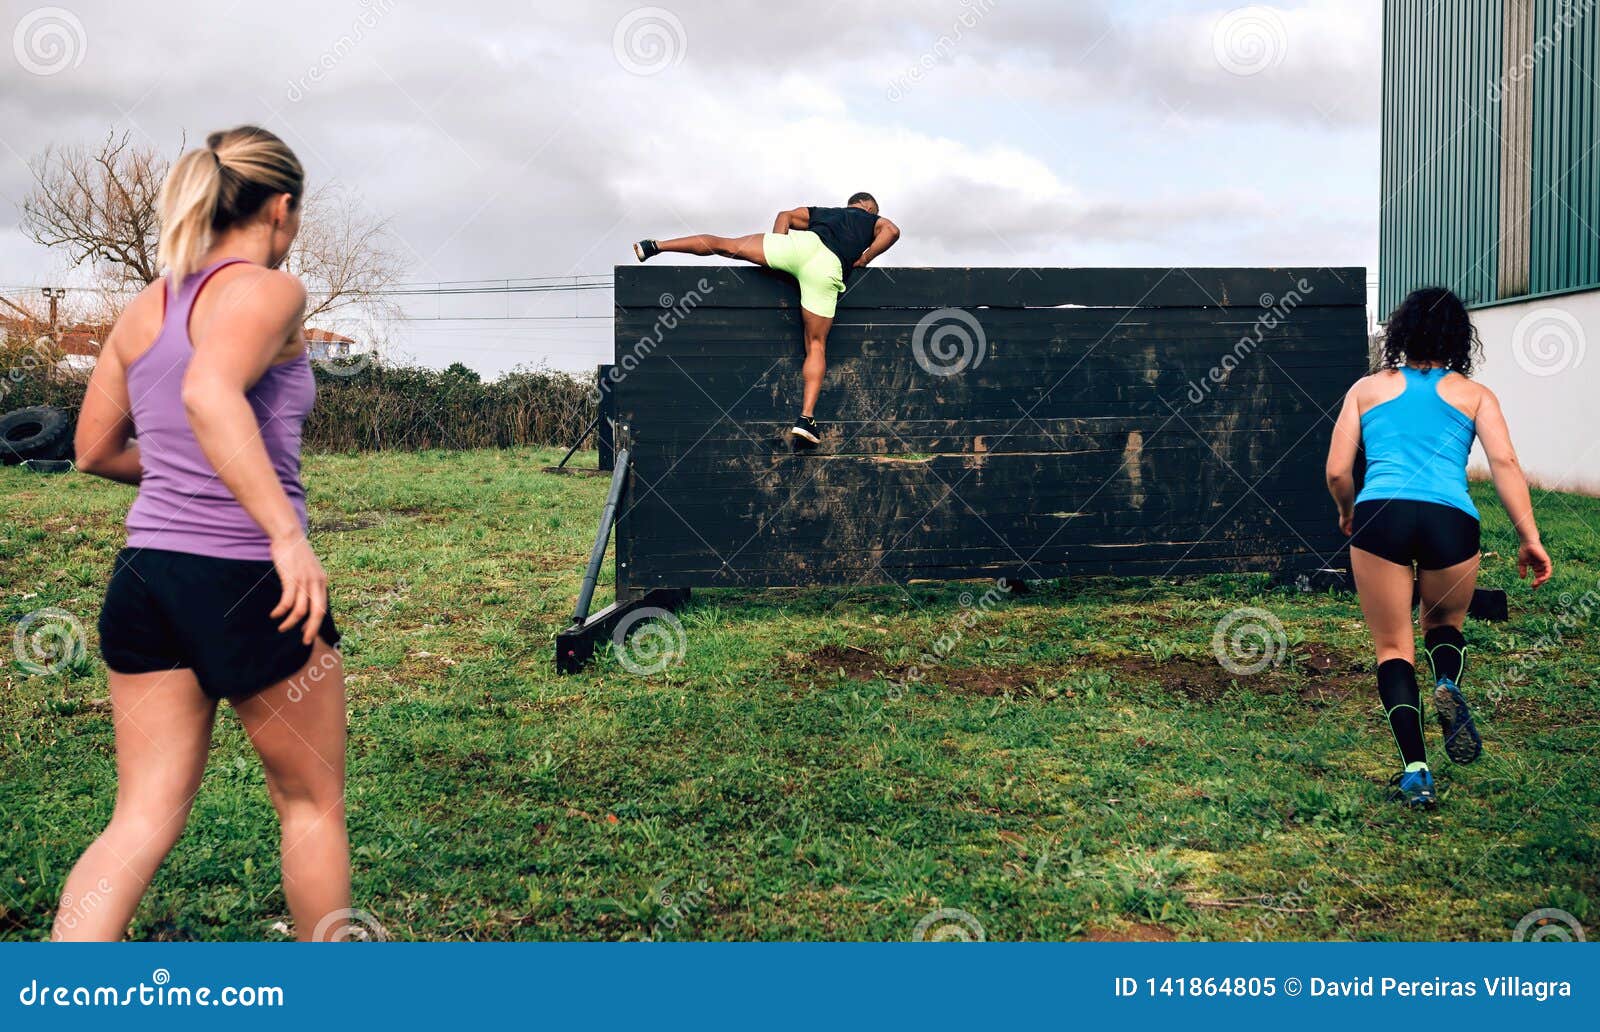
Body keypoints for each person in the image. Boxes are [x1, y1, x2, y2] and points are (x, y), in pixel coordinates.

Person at [56, 126, 350, 940]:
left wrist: (188, 477)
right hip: (246, 579)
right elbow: (209, 393)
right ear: (282, 208)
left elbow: (93, 451)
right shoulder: (268, 290)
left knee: (140, 819)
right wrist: (286, 536)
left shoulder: (145, 306)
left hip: (148, 578)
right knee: (310, 804)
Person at [1325, 286, 1552, 808]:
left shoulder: (1366, 388)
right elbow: (1506, 466)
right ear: (1458, 338)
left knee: (1391, 647)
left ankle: (1416, 771)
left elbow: (1338, 470)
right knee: (1444, 625)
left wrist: (1347, 511)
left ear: (1400, 333)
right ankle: (1447, 679)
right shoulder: (1476, 396)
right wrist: (1530, 538)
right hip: (1451, 521)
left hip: (1382, 515)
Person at [633, 192, 900, 444]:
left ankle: (654, 246)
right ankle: (806, 419)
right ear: (867, 207)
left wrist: (777, 253)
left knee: (723, 245)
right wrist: (865, 258)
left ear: (849, 204)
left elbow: (785, 215)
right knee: (816, 345)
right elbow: (892, 231)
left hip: (797, 247)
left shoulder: (825, 213)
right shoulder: (872, 219)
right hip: (827, 267)